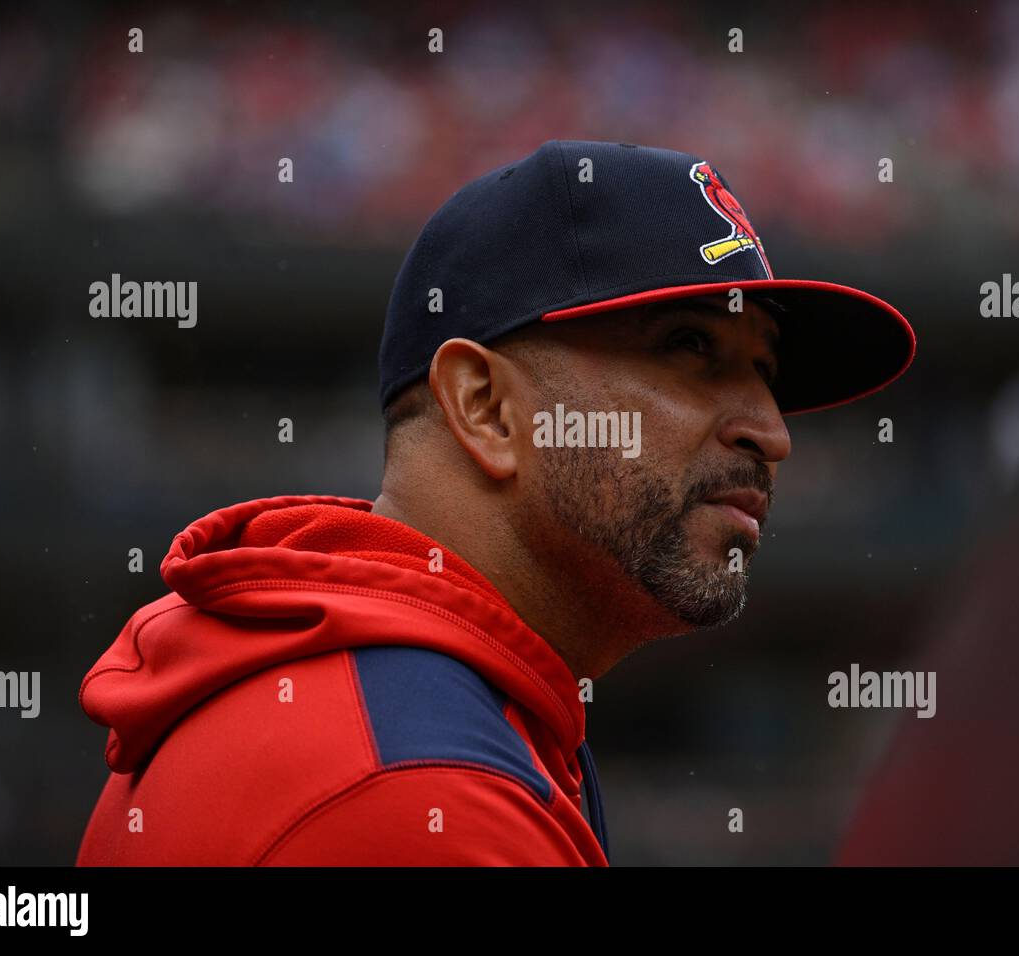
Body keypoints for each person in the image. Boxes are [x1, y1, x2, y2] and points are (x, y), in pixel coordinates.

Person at [76, 140, 915, 866]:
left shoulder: (403, 705)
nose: (772, 432)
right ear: (484, 407)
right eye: (692, 348)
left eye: (764, 372)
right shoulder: (413, 788)